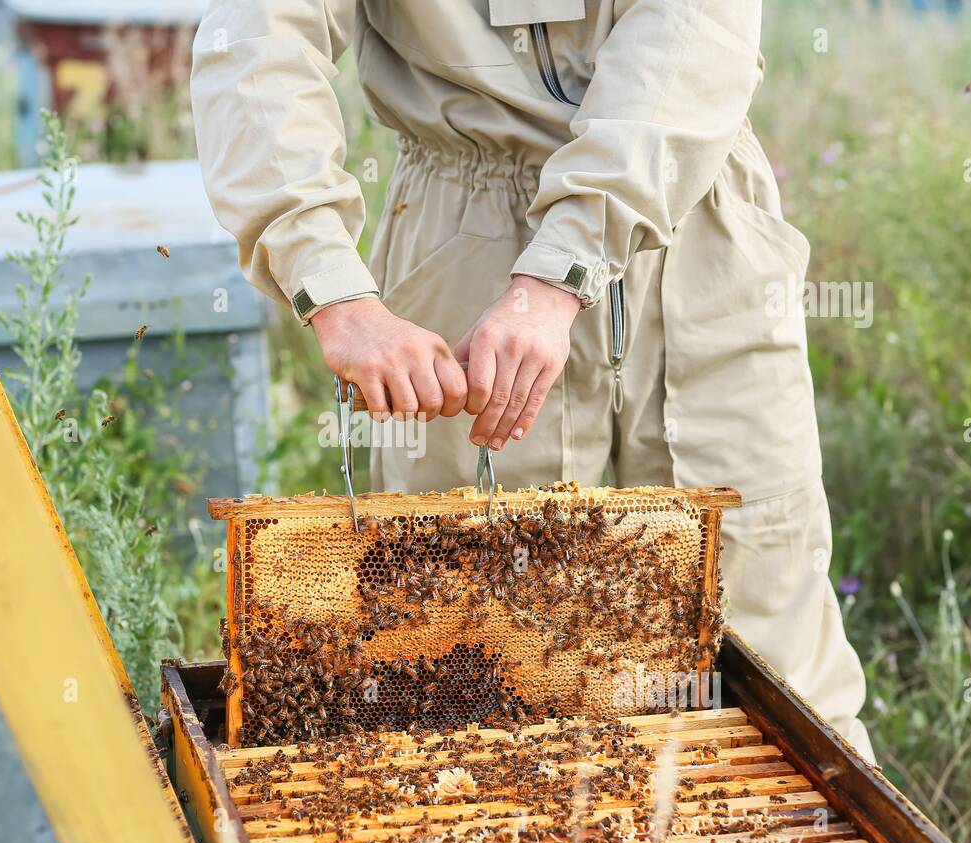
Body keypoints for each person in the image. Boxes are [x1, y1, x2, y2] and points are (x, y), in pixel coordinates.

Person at [191, 0, 874, 760]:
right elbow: (256, 38)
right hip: (464, 227)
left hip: (692, 210)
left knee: (765, 633)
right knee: (468, 656)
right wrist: (331, 287)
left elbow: (694, 30)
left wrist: (563, 267)